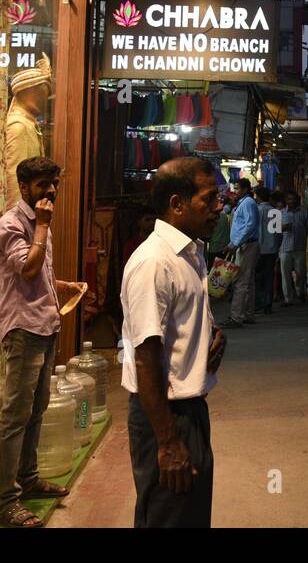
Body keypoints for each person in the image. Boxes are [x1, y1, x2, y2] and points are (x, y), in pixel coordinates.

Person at [121, 157, 226, 528]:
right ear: (177, 204)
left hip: (189, 411)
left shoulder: (190, 253)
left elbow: (176, 330)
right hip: (166, 416)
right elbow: (146, 354)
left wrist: (209, 339)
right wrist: (167, 441)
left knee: (184, 517)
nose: (219, 207)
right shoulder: (154, 262)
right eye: (210, 198)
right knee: (170, 517)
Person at [0, 156, 87, 527]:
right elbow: (28, 267)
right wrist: (42, 227)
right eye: (43, 184)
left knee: (36, 409)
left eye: (54, 183)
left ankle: (27, 479)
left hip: (46, 325)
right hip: (23, 330)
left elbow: (36, 277)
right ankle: (5, 501)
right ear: (24, 187)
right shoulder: (11, 226)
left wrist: (63, 286)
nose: (51, 191)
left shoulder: (38, 224)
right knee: (15, 415)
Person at [225, 178, 260, 327]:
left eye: (238, 189)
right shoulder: (245, 203)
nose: (235, 191)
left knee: (241, 282)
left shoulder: (248, 203)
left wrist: (236, 243)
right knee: (248, 281)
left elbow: (250, 225)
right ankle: (247, 314)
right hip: (245, 244)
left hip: (247, 245)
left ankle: (236, 317)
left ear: (245, 189)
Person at [255, 191, 284, 316]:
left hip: (257, 249)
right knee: (268, 277)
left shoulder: (255, 210)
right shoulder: (275, 212)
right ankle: (267, 304)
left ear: (259, 198)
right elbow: (278, 234)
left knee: (256, 277)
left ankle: (258, 303)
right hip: (271, 250)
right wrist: (277, 247)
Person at [278, 191, 308, 307]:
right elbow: (275, 231)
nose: (291, 201)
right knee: (285, 275)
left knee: (300, 273)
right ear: (286, 201)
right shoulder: (280, 213)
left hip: (300, 247)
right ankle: (288, 299)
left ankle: (301, 294)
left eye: (293, 199)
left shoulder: (303, 213)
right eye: (289, 199)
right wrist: (283, 228)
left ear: (297, 200)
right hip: (285, 248)